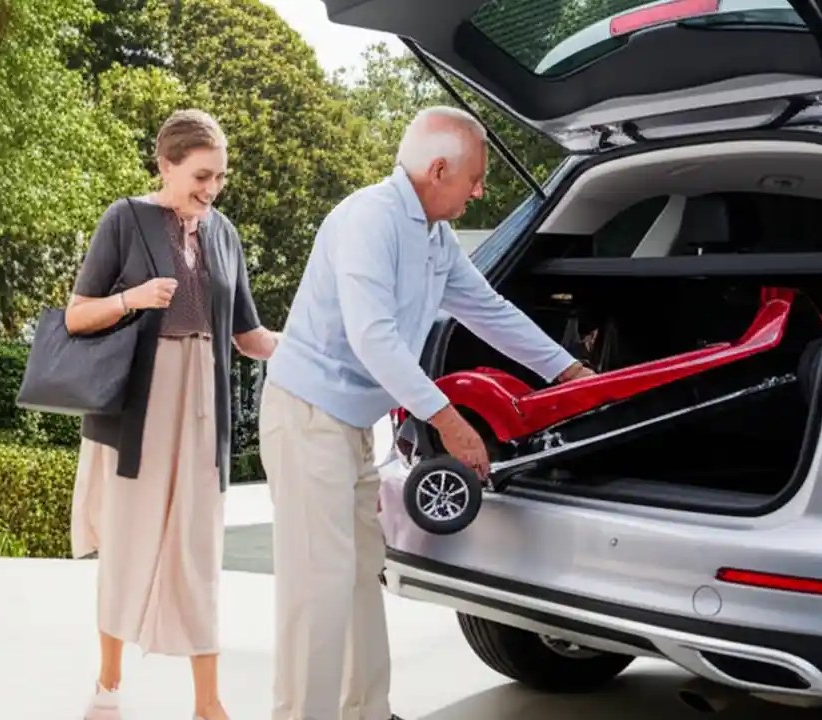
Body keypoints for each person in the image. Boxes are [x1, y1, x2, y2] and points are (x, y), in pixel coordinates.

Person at [258, 105, 594, 720]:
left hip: (349, 426)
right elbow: (373, 337)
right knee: (318, 590)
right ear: (438, 169)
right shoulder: (371, 220)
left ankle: (367, 712)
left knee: (361, 576)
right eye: (474, 178)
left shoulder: (434, 237)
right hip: (307, 419)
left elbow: (489, 310)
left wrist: (570, 373)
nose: (479, 190)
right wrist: (449, 420)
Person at [65, 108, 279, 720]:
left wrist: (316, 346)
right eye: (202, 176)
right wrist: (132, 298)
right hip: (138, 404)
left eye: (220, 178)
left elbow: (250, 336)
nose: (211, 189)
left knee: (197, 548)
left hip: (202, 405)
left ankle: (208, 705)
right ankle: (108, 688)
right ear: (166, 164)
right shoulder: (124, 219)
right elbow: (77, 314)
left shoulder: (224, 233)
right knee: (130, 545)